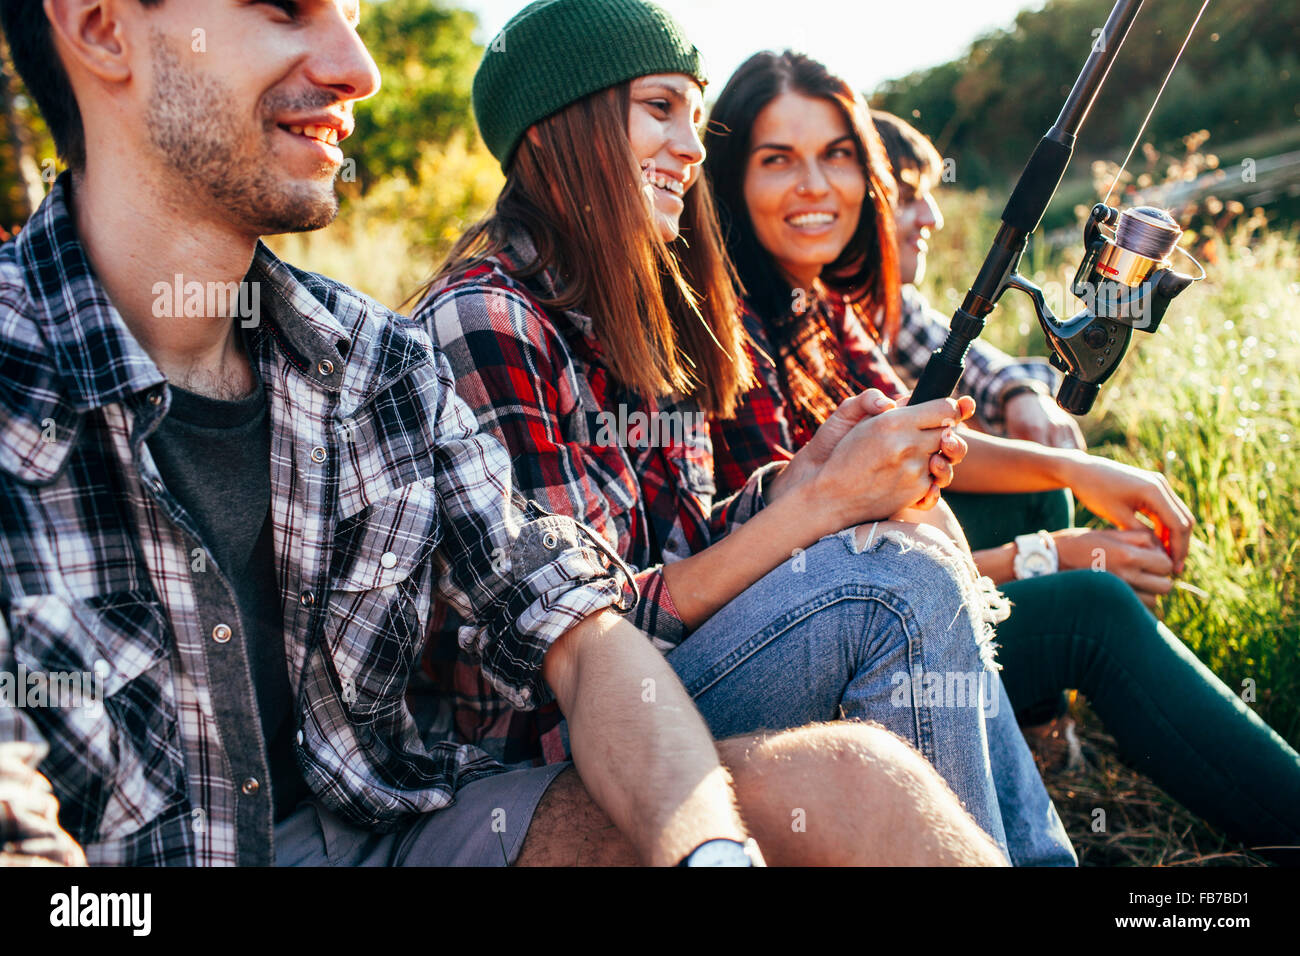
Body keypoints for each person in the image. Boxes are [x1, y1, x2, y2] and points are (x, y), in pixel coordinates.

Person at [0, 0, 1009, 869]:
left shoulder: (373, 361)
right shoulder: (475, 319)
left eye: (351, 14)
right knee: (895, 585)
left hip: (399, 834)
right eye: (284, 7)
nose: (360, 67)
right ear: (100, 28)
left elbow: (582, 628)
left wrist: (708, 849)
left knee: (862, 783)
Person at [413, 0, 1074, 865]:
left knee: (902, 540)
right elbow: (587, 639)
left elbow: (685, 542)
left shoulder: (626, 305)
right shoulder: (484, 319)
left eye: (694, 112)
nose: (692, 147)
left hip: (658, 678)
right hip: (554, 740)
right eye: (659, 108)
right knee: (889, 583)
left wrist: (800, 480)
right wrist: (823, 506)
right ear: (550, 131)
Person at [703, 49, 1300, 858]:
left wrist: (1079, 468)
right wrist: (1053, 555)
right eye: (778, 160)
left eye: (836, 155)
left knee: (1036, 487)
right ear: (729, 176)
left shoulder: (821, 306)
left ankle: (1033, 738)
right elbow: (818, 577)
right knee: (1093, 606)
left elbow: (928, 432)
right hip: (824, 648)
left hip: (886, 596)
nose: (814, 186)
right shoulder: (720, 325)